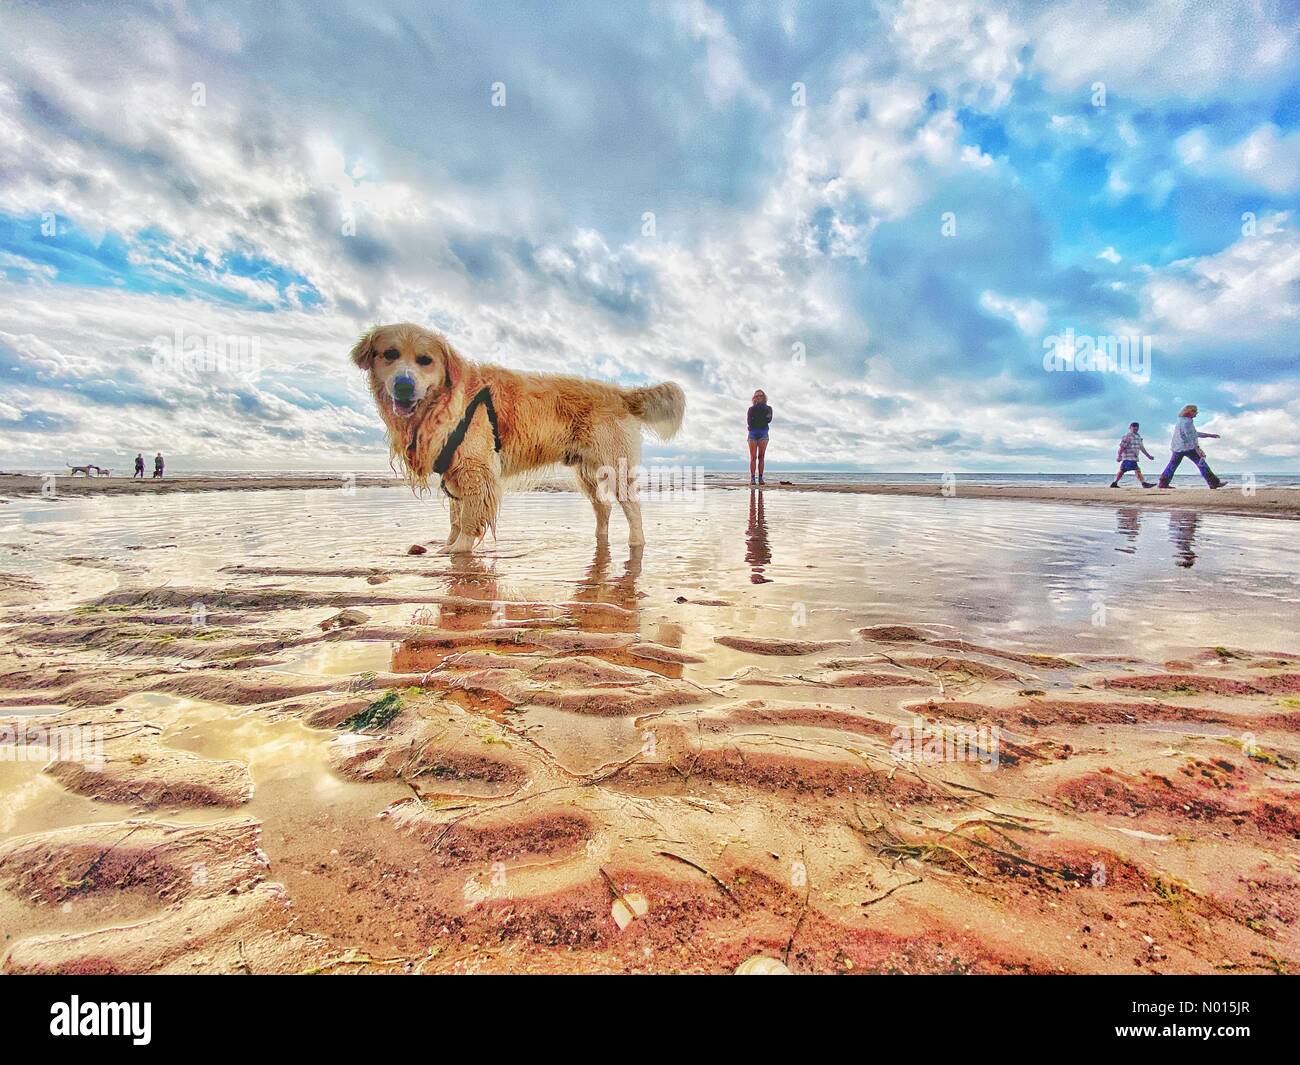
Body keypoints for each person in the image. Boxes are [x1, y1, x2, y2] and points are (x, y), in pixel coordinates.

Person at [1157, 405, 1222, 489]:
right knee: (1201, 464)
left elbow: (1193, 434)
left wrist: (1209, 435)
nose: (1197, 413)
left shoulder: (1183, 420)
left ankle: (1163, 484)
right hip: (1185, 447)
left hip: (1178, 447)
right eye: (1195, 411)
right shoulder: (1186, 422)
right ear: (1189, 412)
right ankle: (1214, 483)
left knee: (1172, 465)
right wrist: (1198, 449)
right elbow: (1190, 437)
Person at [1110, 421, 1155, 488]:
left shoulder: (1138, 437)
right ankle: (1144, 483)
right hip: (1128, 457)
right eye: (1133, 427)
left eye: (1137, 427)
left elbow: (1141, 448)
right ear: (1130, 428)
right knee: (1137, 470)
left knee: (1122, 470)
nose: (1135, 429)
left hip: (1133, 458)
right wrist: (1119, 456)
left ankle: (1114, 483)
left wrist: (1148, 456)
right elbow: (1122, 447)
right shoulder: (1128, 436)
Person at [747, 389, 772, 486]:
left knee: (761, 457)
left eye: (760, 395)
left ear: (764, 397)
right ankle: (752, 478)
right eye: (756, 396)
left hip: (763, 432)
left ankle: (760, 478)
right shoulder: (751, 409)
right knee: (753, 457)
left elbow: (768, 419)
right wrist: (760, 418)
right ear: (754, 398)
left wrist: (757, 418)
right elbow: (749, 422)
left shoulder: (768, 408)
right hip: (753, 433)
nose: (758, 397)